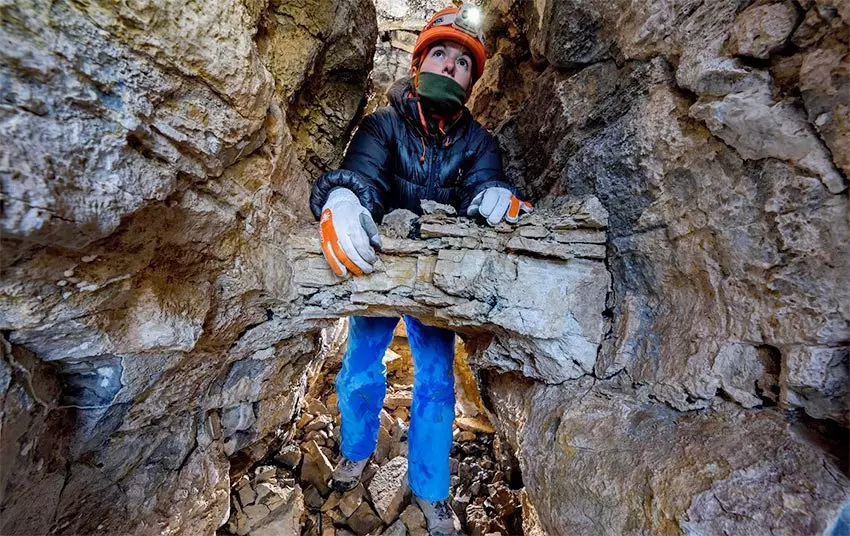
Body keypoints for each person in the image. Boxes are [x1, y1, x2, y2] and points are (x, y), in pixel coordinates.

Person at [308, 4, 531, 534]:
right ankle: (357, 450)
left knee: (435, 381)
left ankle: (431, 489)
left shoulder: (480, 144)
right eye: (440, 54)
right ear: (418, 63)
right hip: (380, 272)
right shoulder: (381, 125)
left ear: (473, 81)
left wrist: (497, 193)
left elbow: (483, 184)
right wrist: (341, 198)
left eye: (463, 63)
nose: (451, 67)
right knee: (360, 366)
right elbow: (361, 173)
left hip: (435, 285)